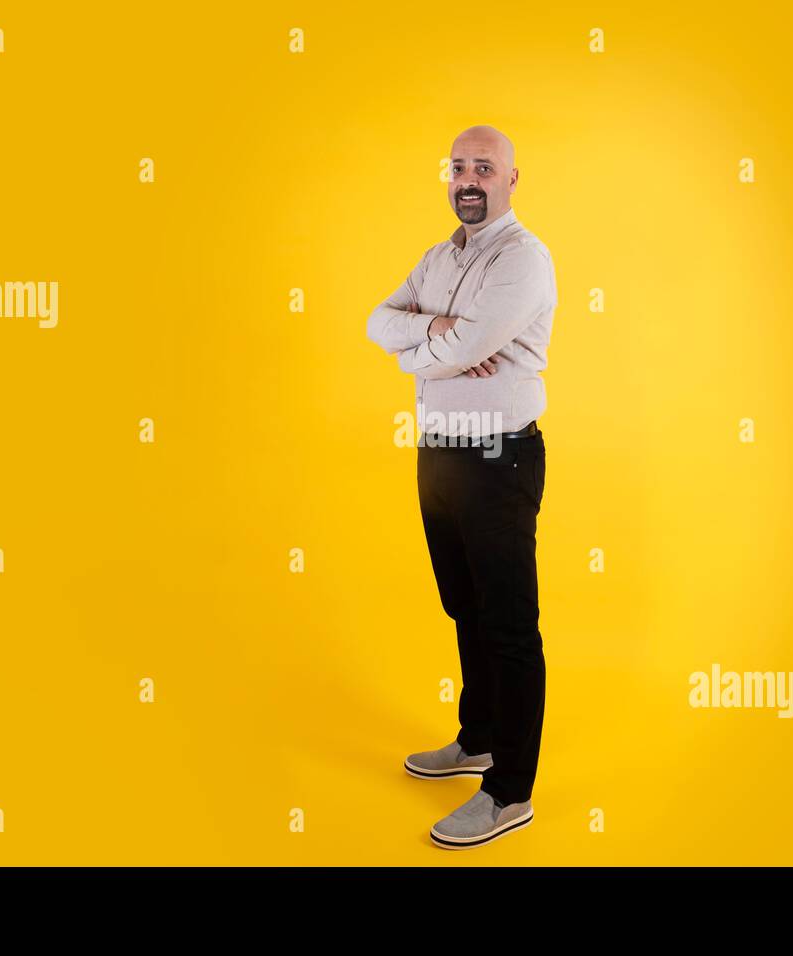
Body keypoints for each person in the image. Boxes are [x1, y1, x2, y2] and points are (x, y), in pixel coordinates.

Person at [366, 124, 557, 849]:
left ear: (512, 180)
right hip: (440, 456)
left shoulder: (525, 260)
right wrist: (436, 332)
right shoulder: (436, 258)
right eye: (459, 167)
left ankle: (509, 789)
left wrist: (426, 342)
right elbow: (374, 321)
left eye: (485, 167)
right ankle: (477, 737)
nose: (469, 179)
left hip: (498, 460)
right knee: (464, 607)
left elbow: (457, 347)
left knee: (509, 625)